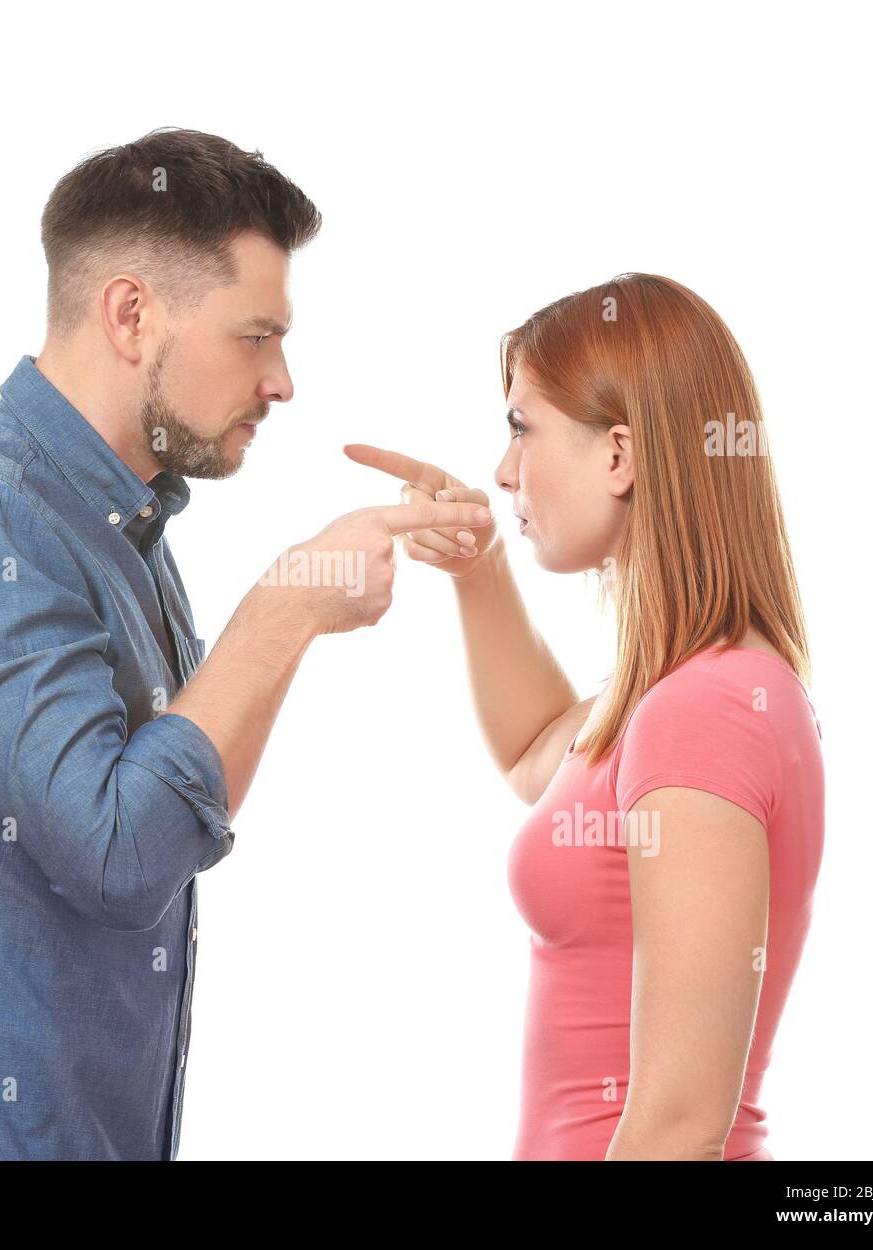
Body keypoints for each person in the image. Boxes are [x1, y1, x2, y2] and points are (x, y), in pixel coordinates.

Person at [0, 127, 489, 1161]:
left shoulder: (120, 529)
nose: (282, 382)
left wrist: (396, 577)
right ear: (131, 315)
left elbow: (176, 817)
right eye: (256, 336)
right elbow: (120, 852)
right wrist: (288, 603)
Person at [346, 273, 824, 1161]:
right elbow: (539, 751)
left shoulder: (704, 709)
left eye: (522, 428)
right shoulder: (681, 691)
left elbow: (680, 1127)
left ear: (619, 456)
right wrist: (479, 566)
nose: (502, 470)